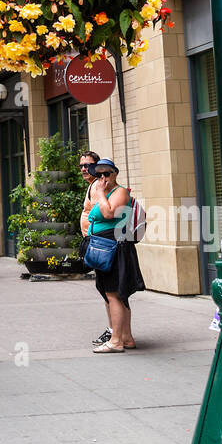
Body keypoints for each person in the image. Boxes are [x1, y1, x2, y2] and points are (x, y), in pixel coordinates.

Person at [85, 158, 144, 352]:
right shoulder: (109, 193)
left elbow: (109, 213)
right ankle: (126, 338)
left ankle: (116, 341)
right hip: (105, 248)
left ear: (115, 173)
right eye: (99, 174)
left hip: (114, 249)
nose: (102, 177)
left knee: (114, 294)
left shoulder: (120, 192)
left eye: (106, 173)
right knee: (117, 294)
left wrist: (100, 193)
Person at [78, 151, 108, 344]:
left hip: (99, 244)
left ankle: (114, 331)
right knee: (106, 289)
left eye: (87, 165)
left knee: (109, 291)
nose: (83, 169)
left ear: (96, 167)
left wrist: (92, 238)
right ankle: (118, 332)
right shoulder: (93, 185)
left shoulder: (97, 186)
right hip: (95, 242)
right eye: (81, 166)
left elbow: (101, 213)